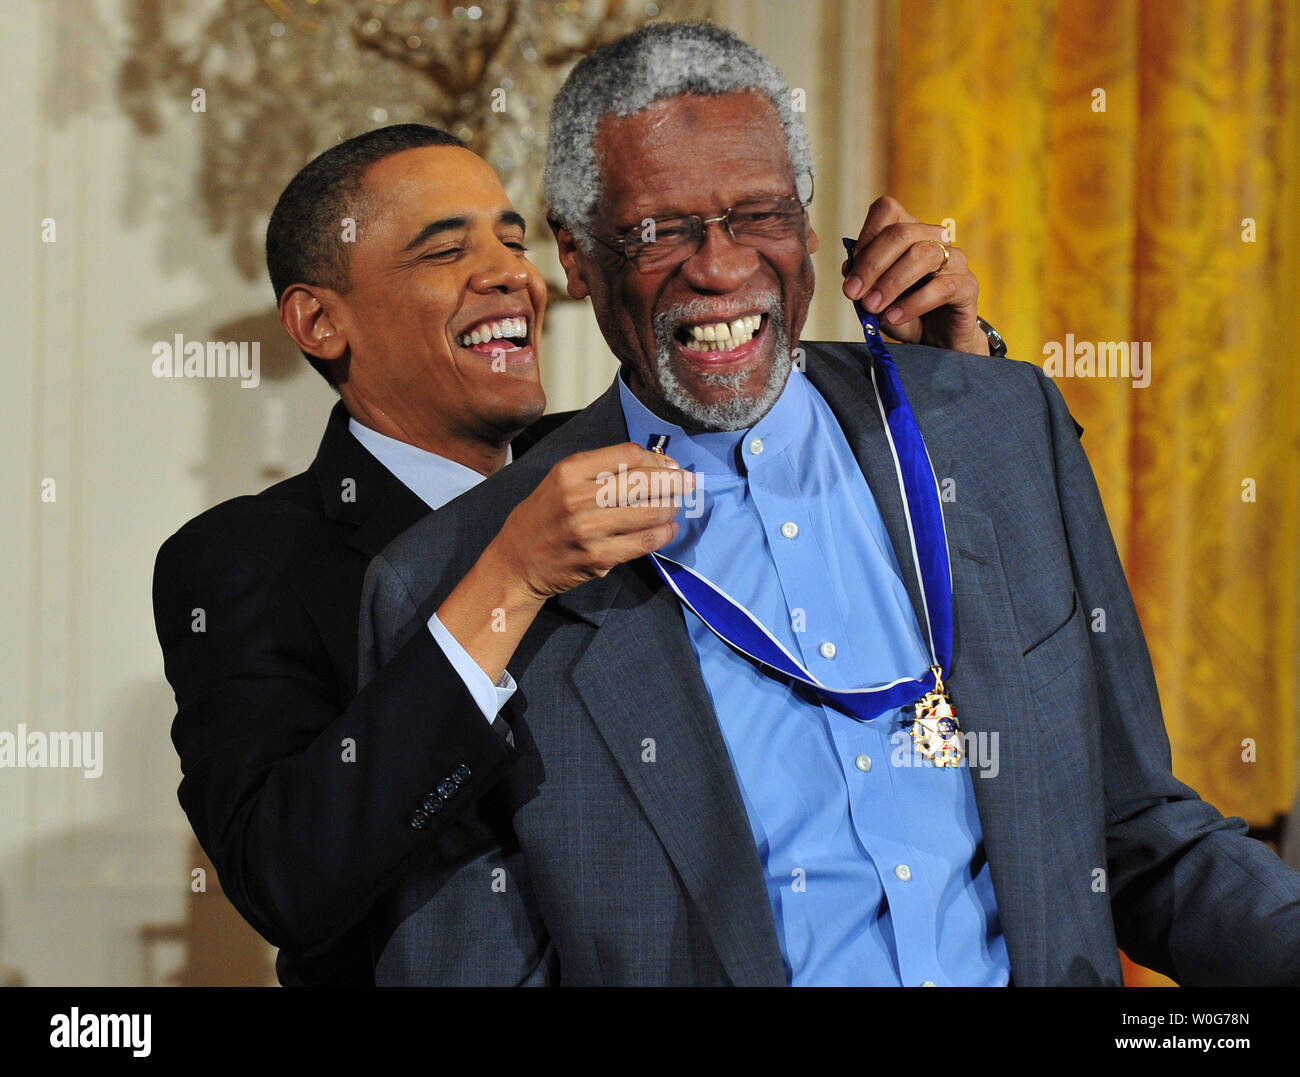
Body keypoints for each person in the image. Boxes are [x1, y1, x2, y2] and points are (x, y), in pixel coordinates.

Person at [359, 22, 1300, 986]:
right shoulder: (465, 577)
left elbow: (1140, 831)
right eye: (660, 231)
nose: (721, 268)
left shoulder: (999, 428)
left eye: (758, 214)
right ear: (578, 256)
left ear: (809, 227)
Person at [153, 120, 989, 984]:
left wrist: (953, 379)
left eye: (514, 240)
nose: (512, 273)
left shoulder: (642, 452)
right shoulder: (243, 559)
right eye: (445, 253)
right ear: (320, 321)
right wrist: (508, 577)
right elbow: (289, 877)